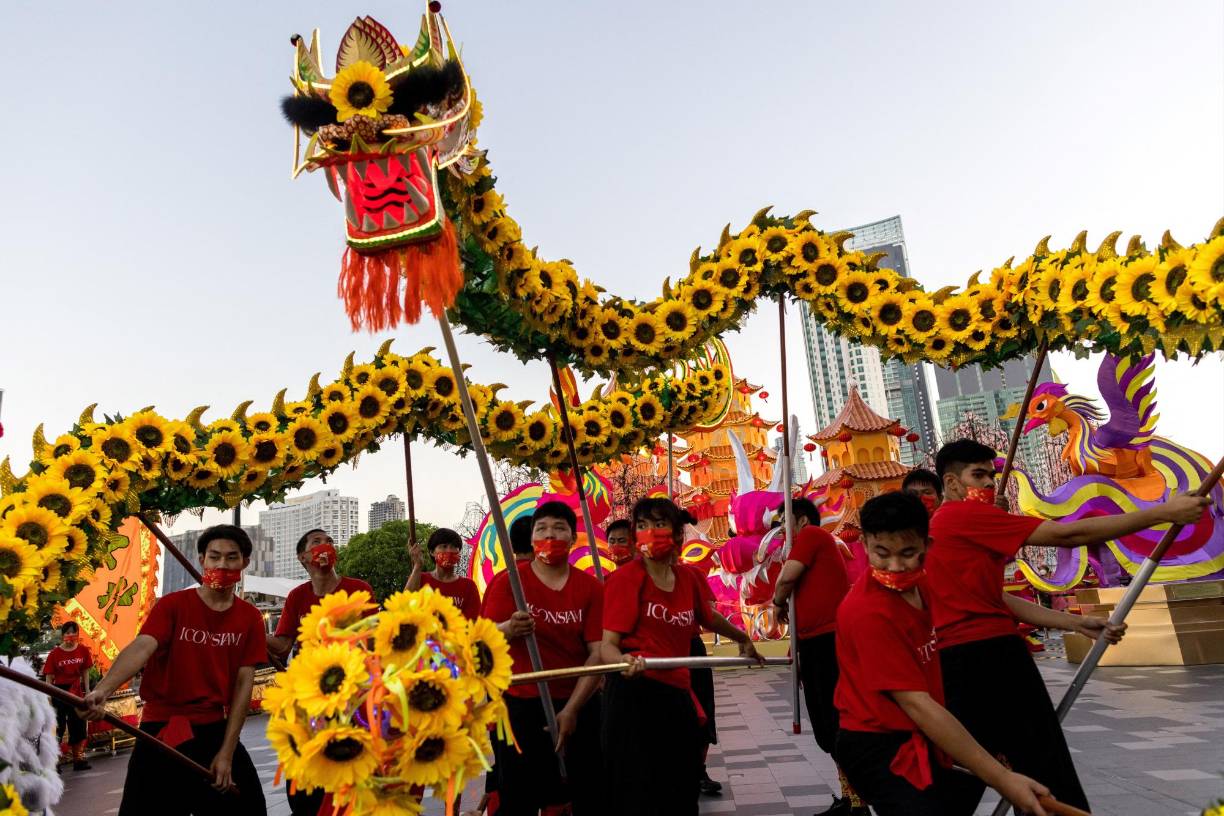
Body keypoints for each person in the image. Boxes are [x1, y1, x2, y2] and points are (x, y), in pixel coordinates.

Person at [927, 439, 1209, 813]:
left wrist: (1074, 623)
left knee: (970, 770)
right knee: (1043, 764)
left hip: (961, 662)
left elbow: (994, 600)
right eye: (978, 476)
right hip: (989, 658)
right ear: (951, 483)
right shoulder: (961, 516)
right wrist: (1163, 513)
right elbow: (1067, 535)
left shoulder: (944, 525)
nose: (988, 485)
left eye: (992, 477)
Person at [836, 491, 1054, 816]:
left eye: (908, 553)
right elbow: (918, 705)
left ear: (928, 545)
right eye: (882, 554)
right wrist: (1003, 779)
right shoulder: (868, 613)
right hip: (877, 743)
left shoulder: (921, 583)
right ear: (865, 545)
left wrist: (1073, 623)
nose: (895, 567)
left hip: (918, 730)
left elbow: (993, 601)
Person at [82, 525, 267, 816]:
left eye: (231, 558)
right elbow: (143, 646)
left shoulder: (250, 618)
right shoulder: (173, 605)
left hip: (215, 730)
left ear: (244, 562)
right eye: (214, 556)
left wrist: (227, 753)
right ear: (201, 560)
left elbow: (244, 685)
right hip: (162, 732)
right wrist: (102, 690)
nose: (222, 565)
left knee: (249, 808)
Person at [600, 497, 762, 816]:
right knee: (641, 790)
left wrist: (744, 638)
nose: (650, 532)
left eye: (659, 524)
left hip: (676, 692)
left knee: (682, 786)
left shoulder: (687, 578)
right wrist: (623, 664)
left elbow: (708, 617)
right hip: (634, 694)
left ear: (676, 535)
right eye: (643, 526)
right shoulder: (625, 579)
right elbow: (608, 644)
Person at [482, 501, 605, 816]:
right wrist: (508, 628)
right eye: (542, 529)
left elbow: (597, 653)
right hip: (522, 704)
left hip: (577, 703)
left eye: (559, 528)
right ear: (532, 538)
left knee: (589, 792)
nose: (550, 535)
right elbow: (481, 639)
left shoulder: (589, 587)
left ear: (573, 538)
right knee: (518, 797)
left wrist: (573, 710)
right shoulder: (509, 581)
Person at [770, 498, 864, 815]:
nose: (782, 528)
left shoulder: (812, 536)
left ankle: (858, 799)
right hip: (813, 642)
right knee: (826, 725)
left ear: (803, 521)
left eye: (786, 521)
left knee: (834, 722)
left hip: (828, 641)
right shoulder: (810, 543)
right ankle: (849, 795)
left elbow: (786, 578)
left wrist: (776, 603)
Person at [42, 621, 94, 770]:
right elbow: (49, 677)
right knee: (58, 726)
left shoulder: (83, 650)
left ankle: (78, 759)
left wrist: (88, 690)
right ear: (63, 635)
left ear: (78, 634)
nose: (71, 635)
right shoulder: (55, 654)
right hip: (59, 692)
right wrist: (49, 696)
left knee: (78, 724)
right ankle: (54, 762)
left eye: (74, 632)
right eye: (67, 632)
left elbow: (85, 672)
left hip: (76, 692)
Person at [407, 528, 481, 620]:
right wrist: (418, 566)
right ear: (432, 552)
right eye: (444, 546)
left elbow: (473, 622)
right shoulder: (419, 578)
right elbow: (407, 604)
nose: (449, 551)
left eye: (454, 546)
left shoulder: (469, 586)